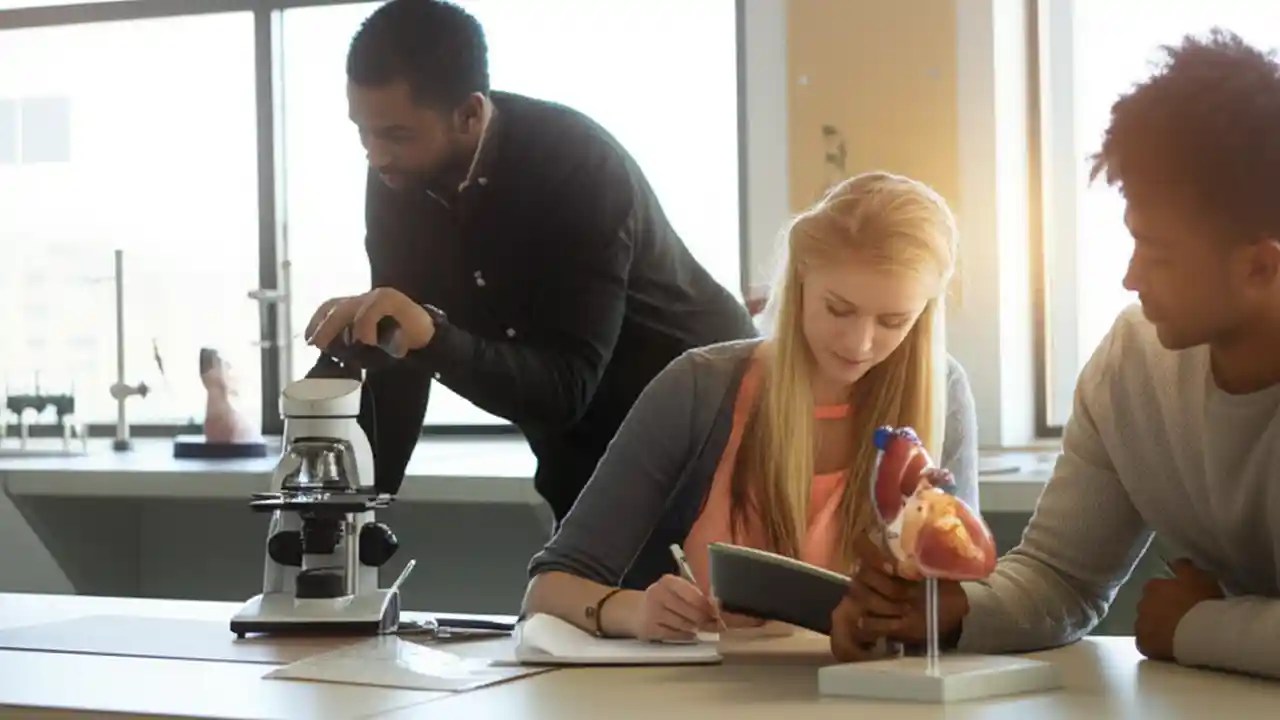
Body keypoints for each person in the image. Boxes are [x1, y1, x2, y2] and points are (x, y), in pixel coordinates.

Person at [830, 29, 1280, 680]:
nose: (1131, 276)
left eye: (1158, 252)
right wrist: (938, 612)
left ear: (1261, 268)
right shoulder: (1133, 364)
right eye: (1133, 242)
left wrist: (1196, 625)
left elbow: (1181, 623)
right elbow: (1059, 577)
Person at [303, 0, 756, 520]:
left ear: (470, 113)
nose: (375, 155)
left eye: (396, 135)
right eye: (363, 130)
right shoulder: (396, 176)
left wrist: (432, 335)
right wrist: (356, 515)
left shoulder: (576, 168)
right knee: (572, 594)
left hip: (712, 424)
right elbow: (400, 346)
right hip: (579, 453)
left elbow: (568, 388)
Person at [521, 171, 979, 641]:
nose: (860, 343)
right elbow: (548, 590)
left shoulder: (943, 393)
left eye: (893, 320)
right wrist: (633, 611)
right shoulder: (700, 387)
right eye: (839, 310)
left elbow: (962, 601)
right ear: (800, 281)